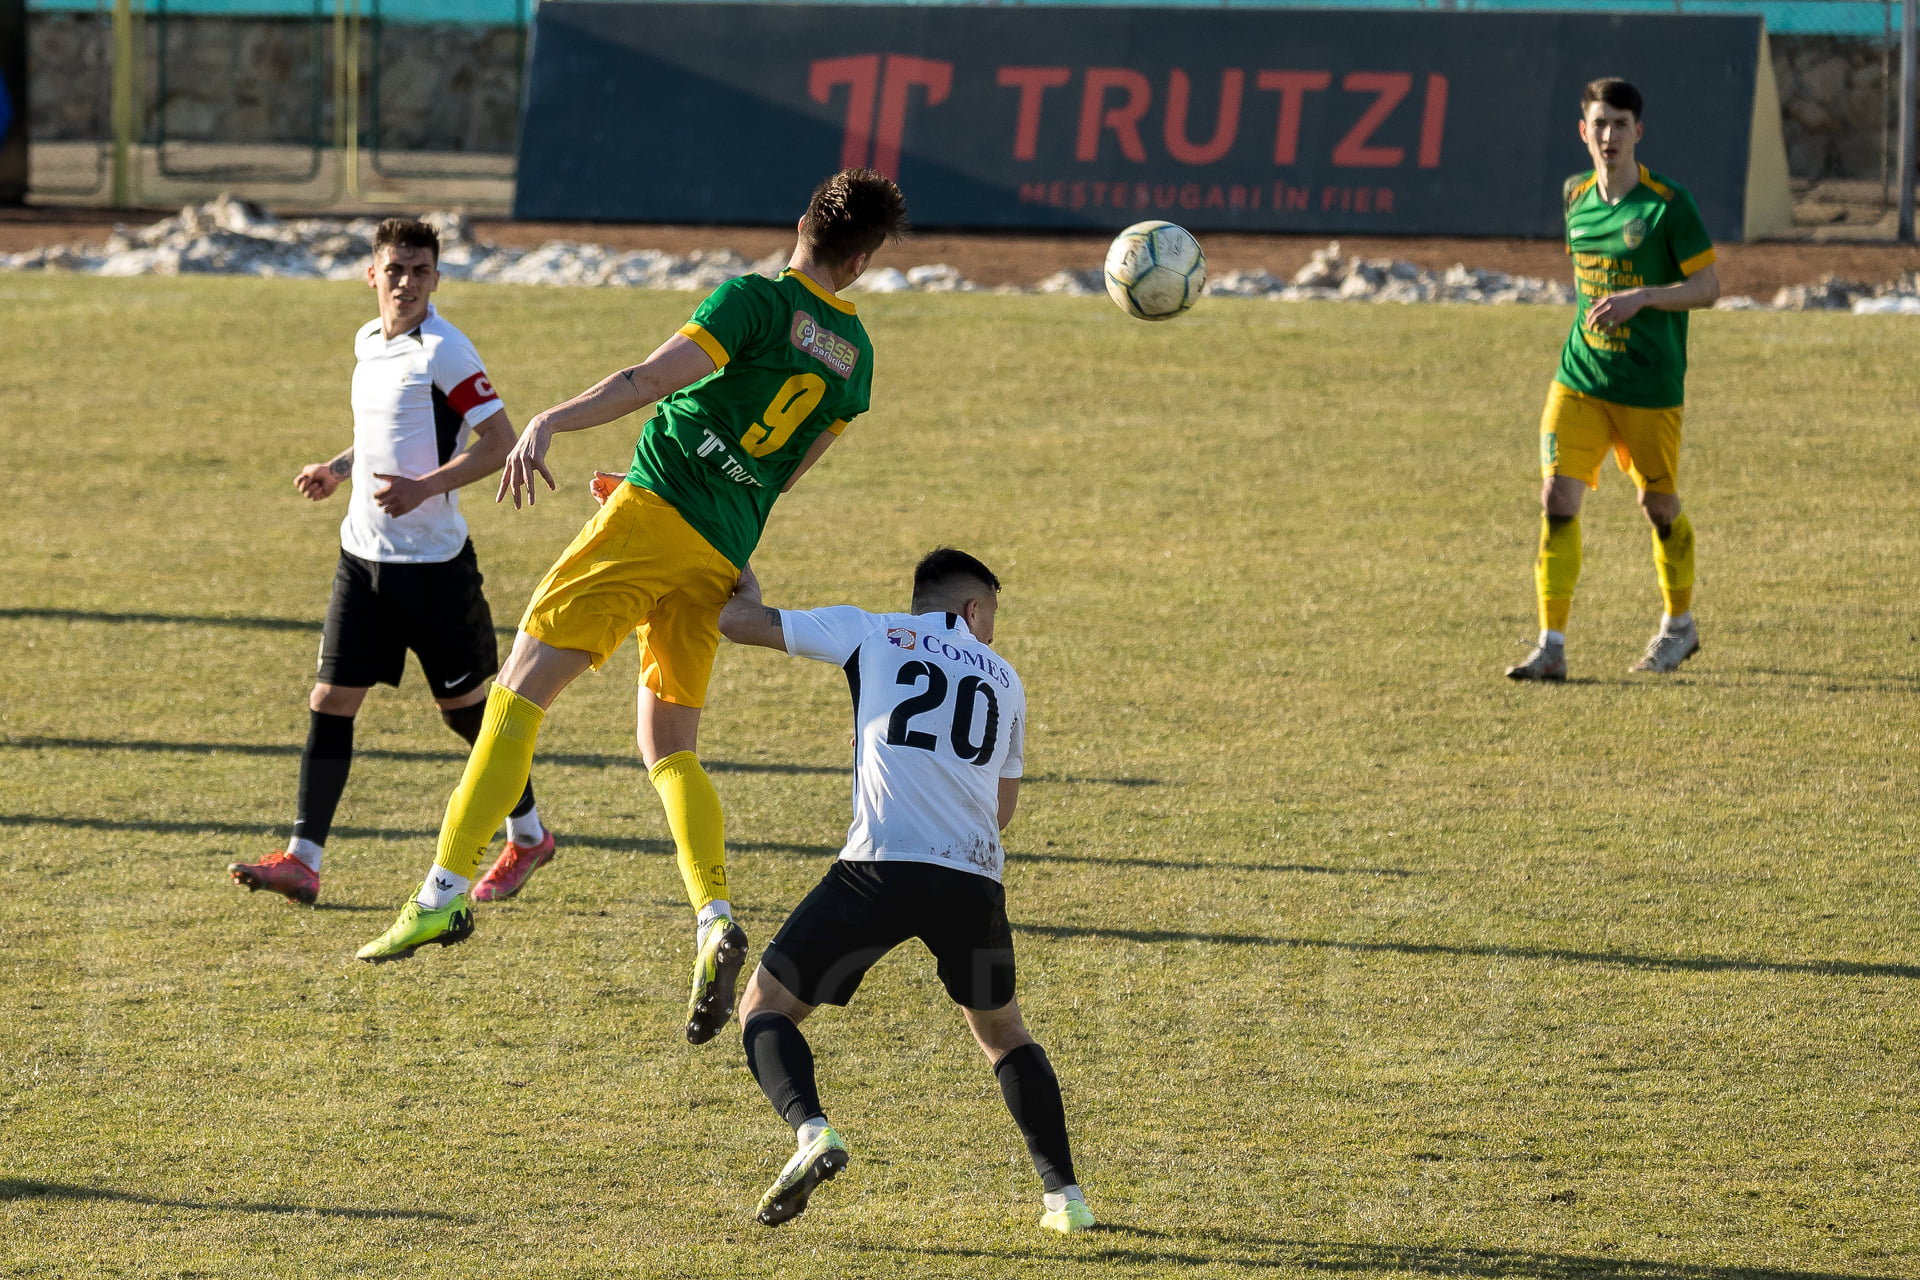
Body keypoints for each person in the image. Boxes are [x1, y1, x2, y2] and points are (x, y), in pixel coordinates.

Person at [354, 171, 909, 1055]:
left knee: (516, 693)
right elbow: (780, 474)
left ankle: (439, 896)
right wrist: (727, 547)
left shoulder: (754, 299)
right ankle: (713, 917)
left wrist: (551, 420)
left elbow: (648, 378)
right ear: (865, 261)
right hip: (716, 548)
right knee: (668, 745)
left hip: (654, 516)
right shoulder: (858, 360)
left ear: (804, 221)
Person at [716, 550, 1095, 1234]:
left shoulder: (871, 631)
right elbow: (1000, 811)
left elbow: (737, 623)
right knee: (1004, 1034)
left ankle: (811, 1132)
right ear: (972, 610)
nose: (991, 633)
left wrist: (746, 584)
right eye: (992, 618)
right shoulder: (1006, 680)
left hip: (879, 874)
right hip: (973, 884)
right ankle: (1066, 1200)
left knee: (764, 1008)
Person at [228, 216, 553, 909]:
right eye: (396, 269)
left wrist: (424, 488)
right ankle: (303, 861)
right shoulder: (366, 342)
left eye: (420, 271)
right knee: (331, 701)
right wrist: (338, 468)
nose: (407, 282)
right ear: (372, 274)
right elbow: (379, 431)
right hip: (362, 559)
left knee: (465, 713)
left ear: (437, 278)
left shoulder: (446, 351)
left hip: (434, 567)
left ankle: (529, 837)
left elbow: (500, 442)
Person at [1506, 77, 1720, 682]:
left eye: (1620, 125)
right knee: (1556, 497)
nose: (1609, 136)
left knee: (1659, 507)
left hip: (1649, 388)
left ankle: (1679, 626)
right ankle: (1551, 646)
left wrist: (1643, 297)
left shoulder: (1667, 205)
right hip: (1580, 378)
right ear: (1584, 131)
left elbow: (1709, 289)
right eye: (1599, 124)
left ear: (1638, 132)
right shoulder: (1574, 195)